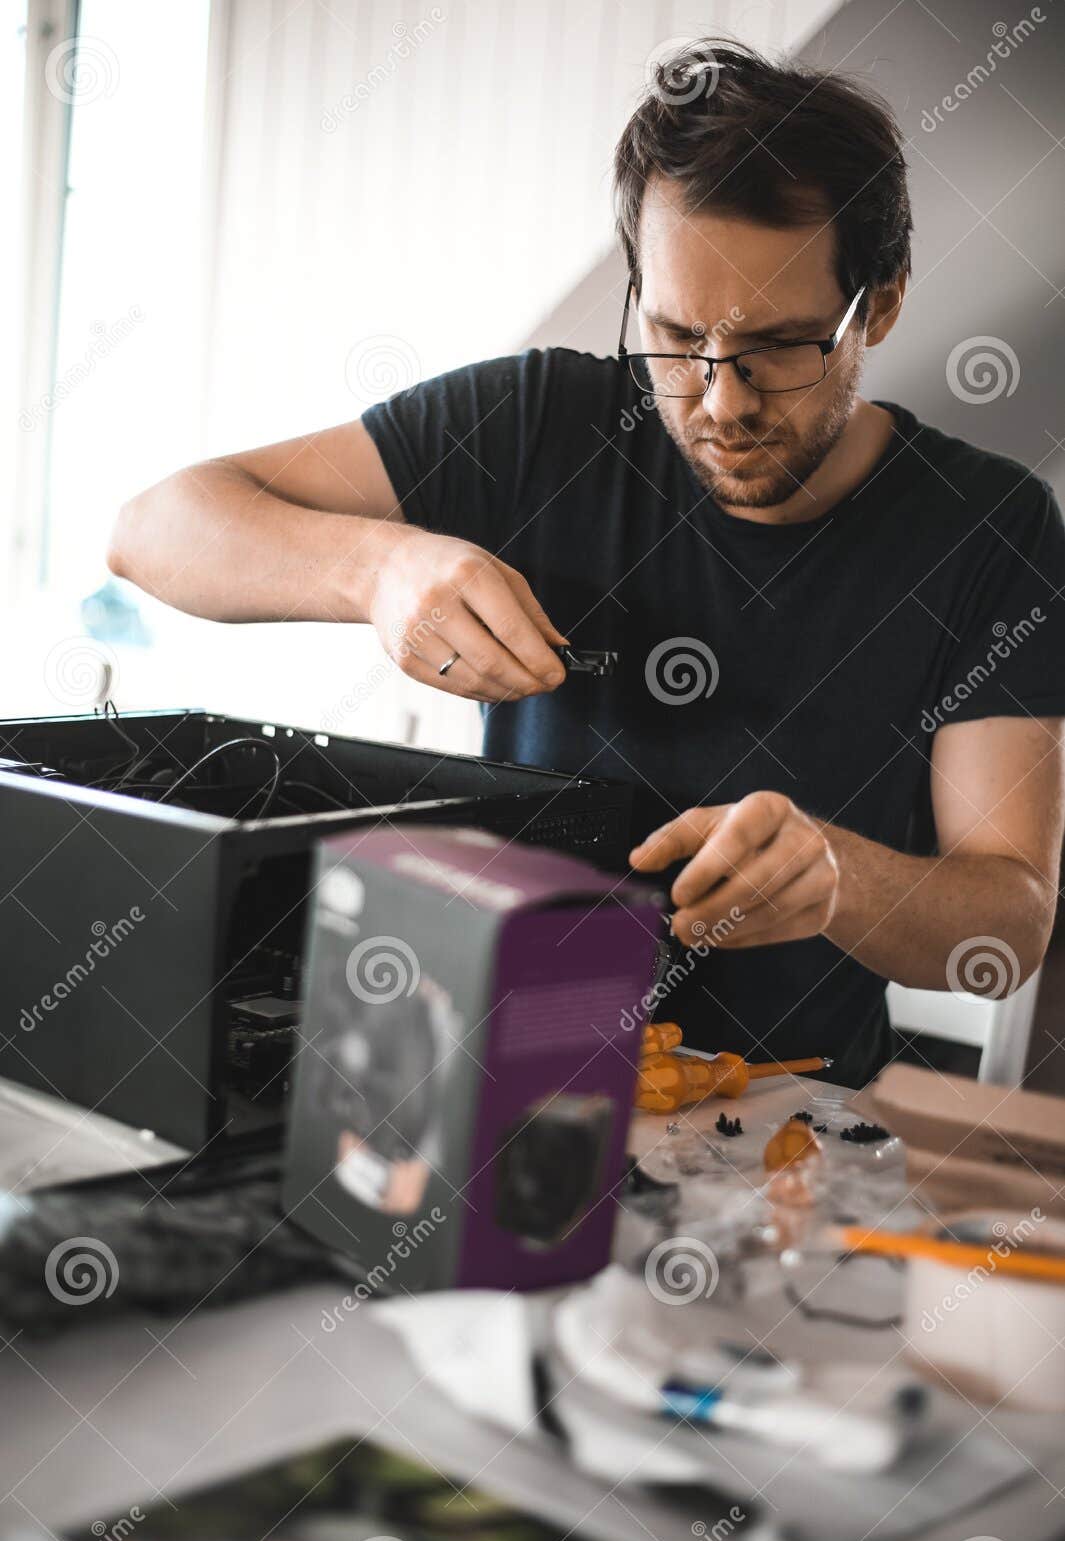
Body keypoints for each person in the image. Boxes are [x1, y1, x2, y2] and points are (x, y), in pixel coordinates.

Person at [109, 42, 1065, 1085]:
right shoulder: (539, 423)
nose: (721, 401)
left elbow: (1009, 927)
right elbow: (156, 529)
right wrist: (377, 571)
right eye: (677, 335)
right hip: (497, 1077)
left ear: (878, 304)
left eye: (780, 347)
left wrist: (842, 878)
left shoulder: (991, 528)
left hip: (785, 1120)